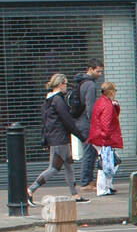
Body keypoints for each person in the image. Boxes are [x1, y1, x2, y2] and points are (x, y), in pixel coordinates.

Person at [27, 73, 87, 203]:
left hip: (55, 138)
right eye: (65, 84)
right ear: (60, 84)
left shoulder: (47, 101)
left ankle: (75, 195)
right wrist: (82, 136)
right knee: (54, 168)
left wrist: (45, 139)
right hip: (60, 139)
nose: (66, 87)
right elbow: (67, 121)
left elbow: (45, 122)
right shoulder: (58, 100)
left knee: (69, 166)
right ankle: (30, 190)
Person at [87, 80, 124, 195]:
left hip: (98, 137)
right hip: (104, 139)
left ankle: (107, 186)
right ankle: (103, 188)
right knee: (108, 163)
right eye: (115, 90)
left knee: (109, 162)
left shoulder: (101, 102)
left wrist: (115, 106)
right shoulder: (107, 105)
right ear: (111, 91)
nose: (116, 92)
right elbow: (106, 123)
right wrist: (106, 139)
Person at [73, 58, 104, 191]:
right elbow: (90, 107)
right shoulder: (90, 85)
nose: (100, 74)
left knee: (88, 150)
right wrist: (95, 123)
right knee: (89, 151)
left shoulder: (81, 82)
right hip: (86, 123)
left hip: (79, 121)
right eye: (98, 71)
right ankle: (86, 182)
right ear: (90, 69)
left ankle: (87, 180)